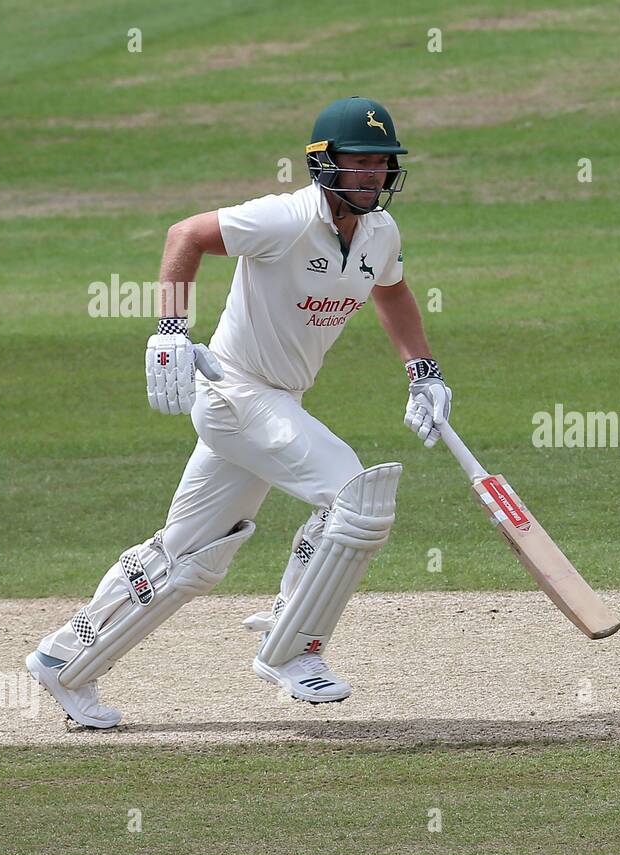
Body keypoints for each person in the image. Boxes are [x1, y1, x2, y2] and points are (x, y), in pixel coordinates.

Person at [26, 97, 451, 727]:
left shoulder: (380, 235)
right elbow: (186, 234)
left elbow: (393, 293)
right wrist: (170, 329)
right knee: (356, 499)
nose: (371, 175)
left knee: (190, 557)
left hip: (275, 401)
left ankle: (66, 659)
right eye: (358, 161)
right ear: (325, 164)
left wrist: (423, 373)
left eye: (382, 164)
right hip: (236, 393)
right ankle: (292, 644)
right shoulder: (283, 219)